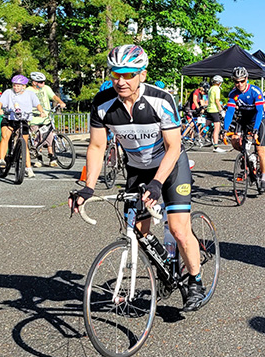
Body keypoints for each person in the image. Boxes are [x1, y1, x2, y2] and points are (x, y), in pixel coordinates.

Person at [69, 44, 207, 311]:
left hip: (170, 166)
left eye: (128, 75)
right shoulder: (102, 103)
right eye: (116, 74)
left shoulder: (161, 100)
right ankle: (165, 269)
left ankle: (195, 281)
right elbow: (97, 147)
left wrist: (157, 183)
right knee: (138, 232)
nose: (121, 81)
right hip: (137, 169)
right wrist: (87, 187)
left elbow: (174, 147)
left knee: (179, 229)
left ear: (142, 74)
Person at [223, 66, 265, 193]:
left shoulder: (255, 91)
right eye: (236, 82)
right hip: (243, 120)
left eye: (242, 81)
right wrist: (224, 129)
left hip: (257, 120)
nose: (239, 84)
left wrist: (255, 129)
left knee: (261, 150)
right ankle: (248, 158)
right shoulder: (233, 94)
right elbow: (230, 112)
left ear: (246, 79)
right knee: (234, 140)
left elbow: (261, 111)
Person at [0, 74, 44, 178]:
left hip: (23, 120)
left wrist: (41, 112)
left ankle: (28, 168)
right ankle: (2, 159)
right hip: (9, 119)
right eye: (14, 85)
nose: (16, 87)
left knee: (24, 144)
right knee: (5, 136)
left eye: (18, 85)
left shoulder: (30, 94)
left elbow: (37, 105)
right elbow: (0, 102)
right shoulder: (8, 92)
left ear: (24, 86)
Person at [28, 71, 67, 168]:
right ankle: (39, 159)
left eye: (44, 82)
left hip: (46, 118)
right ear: (34, 82)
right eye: (40, 82)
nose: (43, 84)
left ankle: (52, 158)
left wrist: (61, 102)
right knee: (38, 139)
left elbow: (53, 96)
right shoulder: (28, 91)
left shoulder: (46, 88)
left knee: (49, 138)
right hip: (35, 118)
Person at [208, 75, 227, 153]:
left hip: (209, 109)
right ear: (219, 82)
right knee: (217, 128)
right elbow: (217, 101)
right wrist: (221, 110)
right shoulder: (217, 89)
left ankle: (197, 136)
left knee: (206, 124)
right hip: (214, 110)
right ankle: (216, 146)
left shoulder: (211, 88)